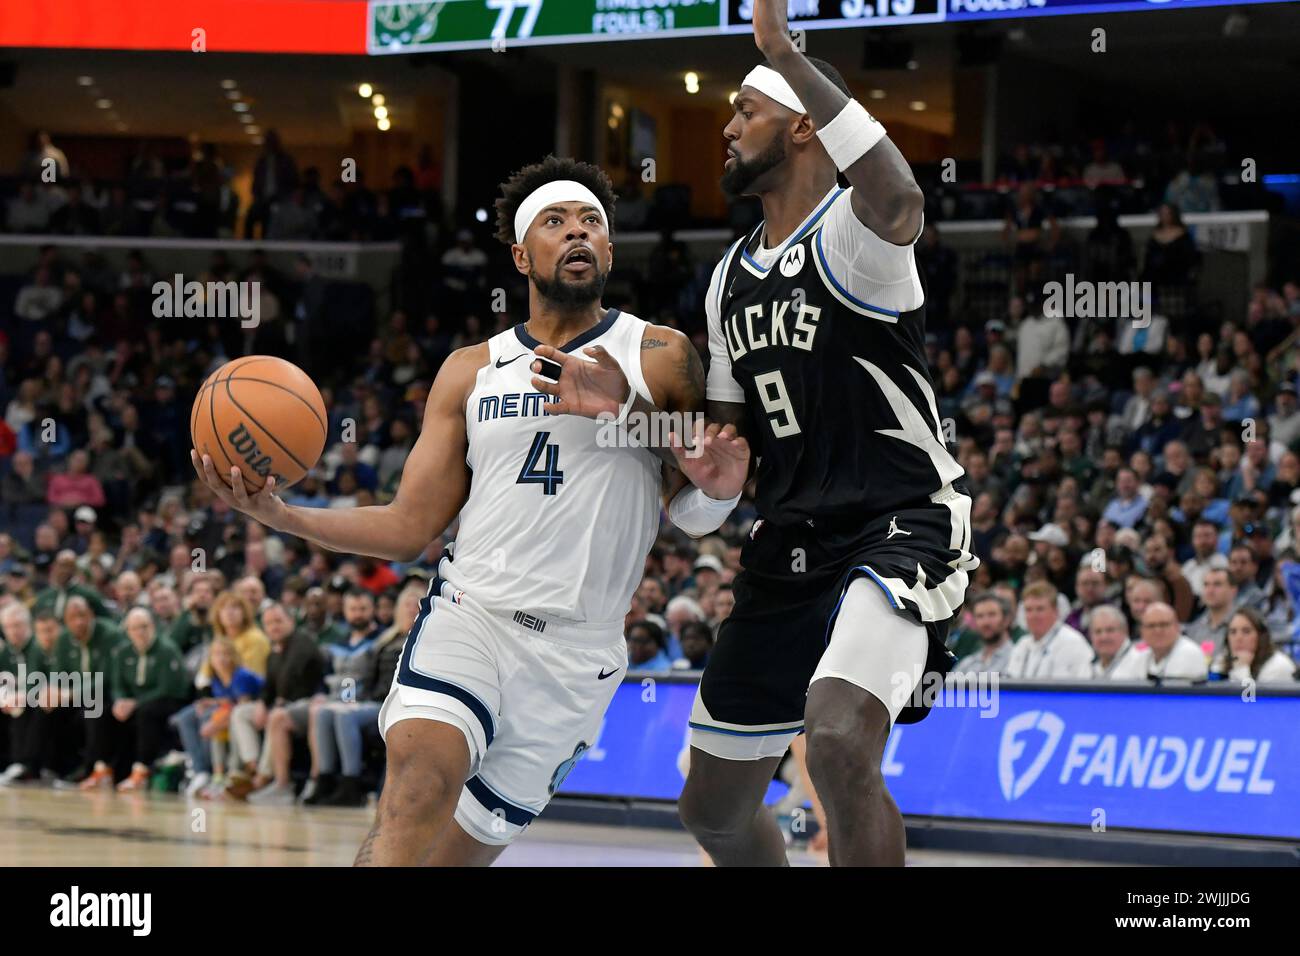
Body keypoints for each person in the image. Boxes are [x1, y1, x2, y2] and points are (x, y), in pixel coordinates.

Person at [192, 156, 748, 865]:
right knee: (417, 789)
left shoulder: (660, 355)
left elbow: (695, 510)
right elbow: (406, 528)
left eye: (591, 224)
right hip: (472, 617)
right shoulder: (469, 370)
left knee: (452, 859)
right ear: (522, 254)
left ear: (609, 250)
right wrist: (286, 516)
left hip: (580, 657)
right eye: (555, 222)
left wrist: (653, 431)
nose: (577, 234)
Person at [536, 3, 976, 867]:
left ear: (805, 125)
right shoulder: (730, 276)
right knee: (713, 810)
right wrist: (630, 414)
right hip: (790, 544)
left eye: (747, 109)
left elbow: (902, 196)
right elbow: (723, 459)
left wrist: (784, 48)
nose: (728, 127)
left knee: (842, 740)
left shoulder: (857, 234)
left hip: (899, 521)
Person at [106, 608, 189, 791]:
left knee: (146, 712)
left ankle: (142, 769)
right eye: (134, 628)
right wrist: (120, 700)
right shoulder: (122, 652)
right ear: (128, 631)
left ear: (153, 627)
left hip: (168, 700)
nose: (140, 632)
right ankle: (107, 769)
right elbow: (117, 684)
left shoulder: (167, 649)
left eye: (144, 627)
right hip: (137, 701)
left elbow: (167, 688)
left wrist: (135, 703)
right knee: (106, 710)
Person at [1006, 582, 1093, 679]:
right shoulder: (1022, 645)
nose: (1033, 616)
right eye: (1028, 610)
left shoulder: (1073, 643)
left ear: (1056, 611)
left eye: (1040, 609)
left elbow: (1082, 687)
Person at [1210, 608, 1297, 684]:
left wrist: (1241, 669)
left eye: (1246, 631)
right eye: (1233, 632)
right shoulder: (1221, 660)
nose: (1238, 638)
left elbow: (1249, 700)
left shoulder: (1278, 665)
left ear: (1261, 636)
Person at [1132, 602, 1208, 681]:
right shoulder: (1139, 653)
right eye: (1151, 625)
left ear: (1177, 627)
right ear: (1142, 631)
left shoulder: (1190, 653)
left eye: (1163, 624)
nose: (1158, 630)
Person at [953, 593, 1014, 675]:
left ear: (1006, 619)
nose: (985, 622)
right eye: (980, 616)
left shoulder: (1018, 658)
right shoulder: (968, 662)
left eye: (992, 614)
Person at [1087, 604, 1145, 679]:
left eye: (1110, 630)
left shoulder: (1140, 659)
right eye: (1098, 632)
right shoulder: (1087, 663)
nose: (1104, 637)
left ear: (1125, 631)